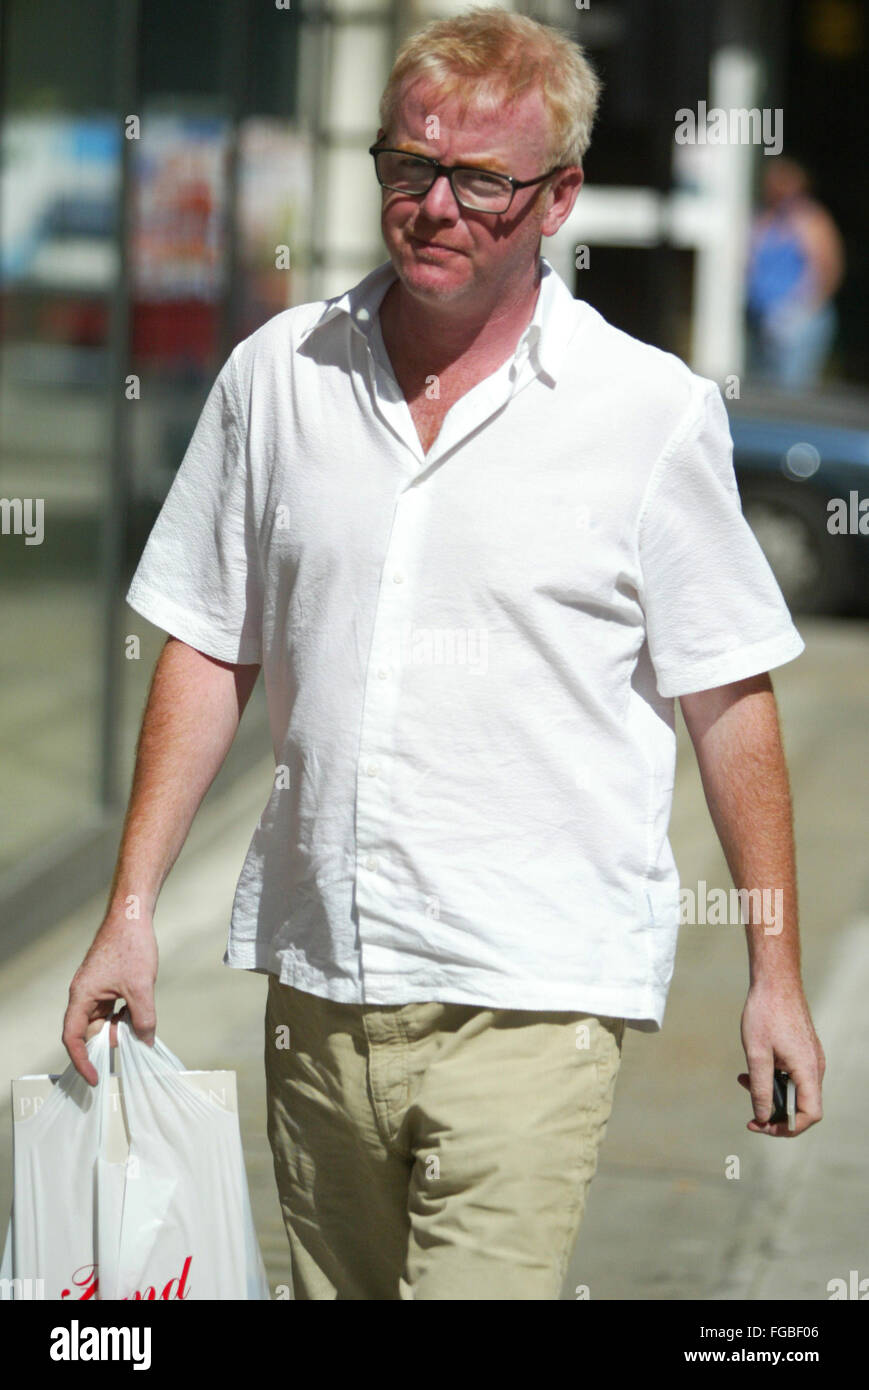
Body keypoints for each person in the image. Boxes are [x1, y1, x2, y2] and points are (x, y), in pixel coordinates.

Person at [63, 7, 825, 1300]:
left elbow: (730, 702)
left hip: (530, 1000)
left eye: (481, 179)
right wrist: (129, 909)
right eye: (409, 167)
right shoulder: (277, 380)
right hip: (316, 992)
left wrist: (774, 975)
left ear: (560, 196)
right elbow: (203, 645)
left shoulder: (647, 415)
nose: (435, 206)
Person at [745, 156, 845, 391]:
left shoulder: (812, 221)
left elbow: (829, 272)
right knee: (762, 389)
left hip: (799, 322)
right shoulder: (762, 220)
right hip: (762, 320)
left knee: (791, 393)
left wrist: (796, 312)